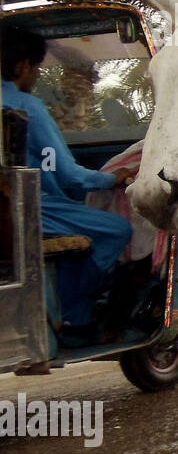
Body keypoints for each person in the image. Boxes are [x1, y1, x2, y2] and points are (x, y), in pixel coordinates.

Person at [2, 27, 133, 336]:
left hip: (9, 211)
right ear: (22, 66)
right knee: (117, 230)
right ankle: (75, 309)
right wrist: (111, 178)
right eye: (35, 68)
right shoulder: (27, 107)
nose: (35, 75)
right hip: (30, 210)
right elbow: (68, 174)